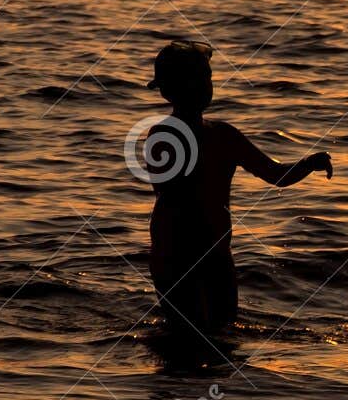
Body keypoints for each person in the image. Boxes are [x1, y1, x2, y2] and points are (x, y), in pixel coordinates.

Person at [138, 40, 332, 335]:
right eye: (196, 78)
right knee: (186, 336)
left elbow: (274, 174)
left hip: (217, 253)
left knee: (224, 335)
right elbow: (171, 193)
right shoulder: (163, 135)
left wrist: (307, 164)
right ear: (169, 89)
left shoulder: (224, 134)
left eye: (208, 77)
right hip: (175, 254)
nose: (205, 85)